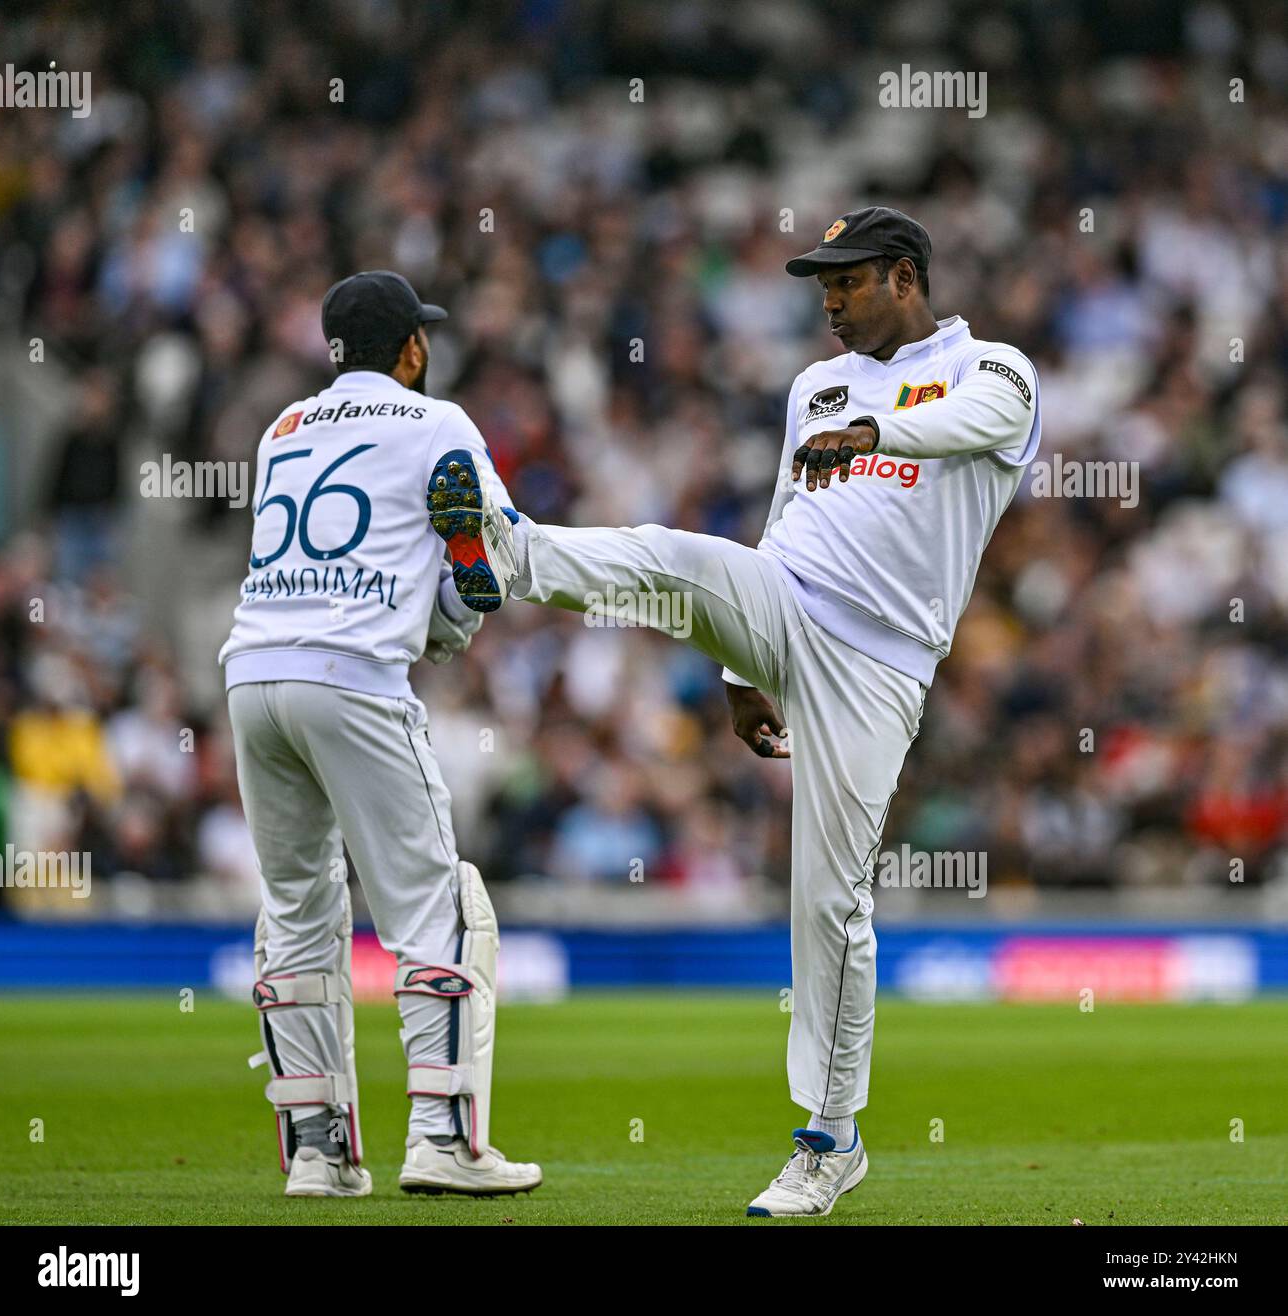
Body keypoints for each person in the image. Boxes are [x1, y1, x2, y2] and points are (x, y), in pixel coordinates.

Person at [427, 207, 1042, 1217]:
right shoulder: (816, 387)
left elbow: (981, 428)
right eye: (820, 286)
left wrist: (876, 429)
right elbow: (781, 517)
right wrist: (731, 669)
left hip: (881, 661)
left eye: (845, 282)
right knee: (676, 557)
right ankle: (509, 548)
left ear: (901, 275)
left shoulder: (994, 368)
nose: (829, 302)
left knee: (829, 902)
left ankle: (830, 1142)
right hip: (785, 599)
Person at [220, 270, 541, 1199]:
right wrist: (458, 607)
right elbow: (492, 559)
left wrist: (440, 603)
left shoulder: (281, 431)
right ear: (412, 346)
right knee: (439, 910)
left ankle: (318, 1153)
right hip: (353, 677)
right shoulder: (438, 424)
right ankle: (444, 1139)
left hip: (253, 675)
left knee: (295, 911)